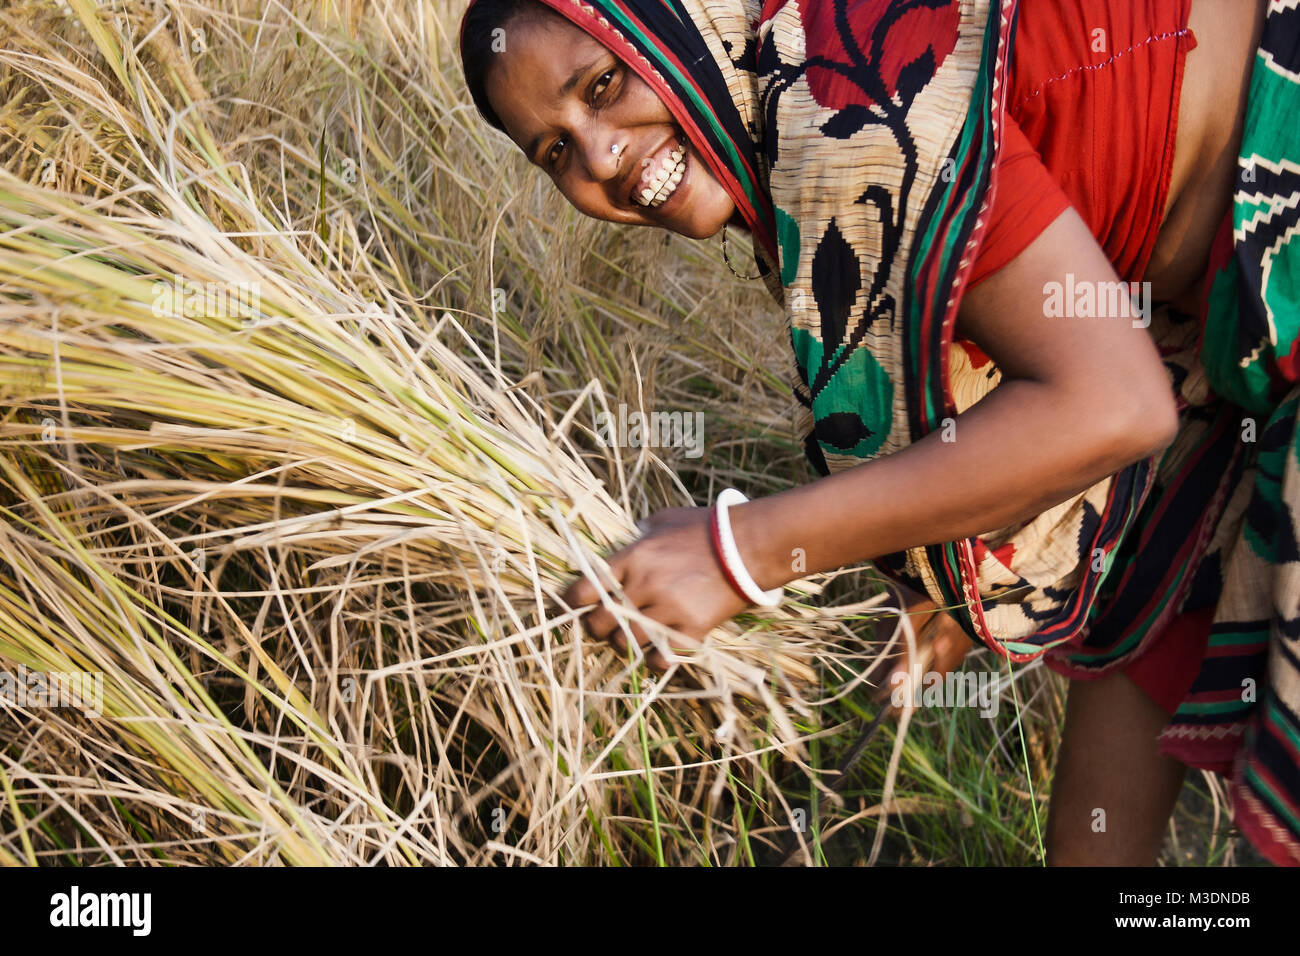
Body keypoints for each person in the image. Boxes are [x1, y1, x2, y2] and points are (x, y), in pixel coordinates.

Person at [458, 0, 1300, 866]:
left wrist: (744, 550)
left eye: (604, 85)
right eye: (555, 150)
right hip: (1223, 309)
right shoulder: (793, 93)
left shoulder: (842, 108)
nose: (601, 156)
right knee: (1147, 569)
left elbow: (1114, 406)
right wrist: (937, 549)